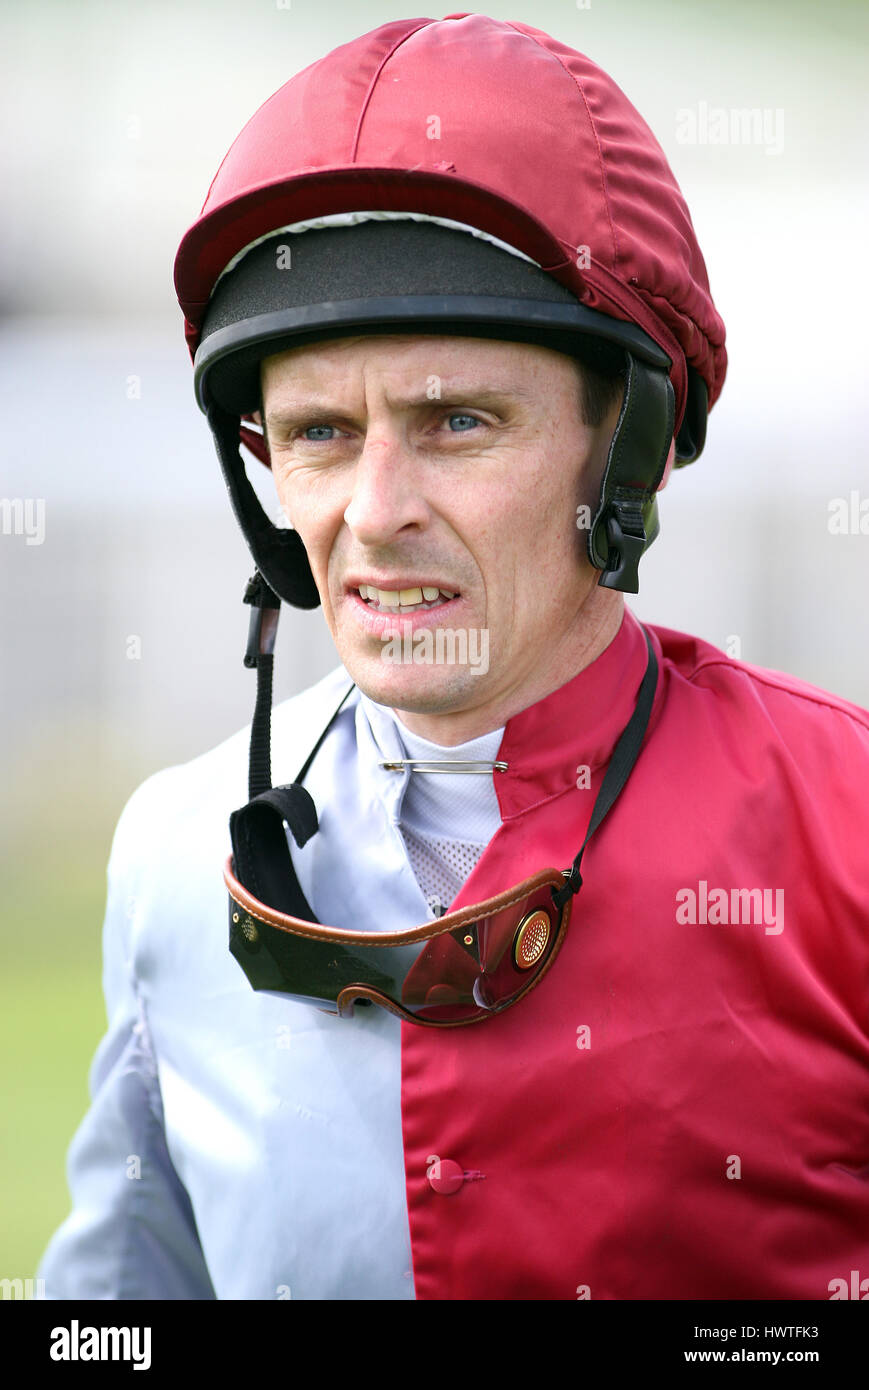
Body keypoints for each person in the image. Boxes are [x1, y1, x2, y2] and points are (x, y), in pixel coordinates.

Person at [38, 13, 869, 1301]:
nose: (374, 510)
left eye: (457, 421)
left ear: (627, 450)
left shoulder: (848, 826)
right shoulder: (170, 851)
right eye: (317, 432)